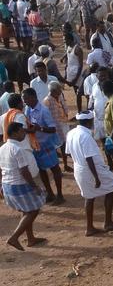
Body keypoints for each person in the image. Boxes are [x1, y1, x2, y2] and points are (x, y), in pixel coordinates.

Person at [66, 111, 113, 235]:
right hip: (91, 170)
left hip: (79, 168)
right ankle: (108, 223)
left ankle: (90, 227)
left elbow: (68, 152)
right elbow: (89, 158)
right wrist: (96, 177)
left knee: (89, 197)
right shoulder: (85, 136)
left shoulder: (71, 133)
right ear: (90, 121)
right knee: (112, 187)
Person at [1, 120, 45, 250]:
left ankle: (31, 238)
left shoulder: (2, 148)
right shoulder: (17, 150)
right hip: (19, 184)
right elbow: (24, 171)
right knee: (34, 209)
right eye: (21, 131)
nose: (24, 134)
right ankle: (14, 237)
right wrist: (34, 186)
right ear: (14, 133)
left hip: (7, 184)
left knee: (26, 210)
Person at [22, 88, 64, 204]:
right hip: (36, 145)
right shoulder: (28, 109)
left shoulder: (44, 111)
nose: (24, 101)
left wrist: (39, 128)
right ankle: (50, 194)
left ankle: (60, 195)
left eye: (26, 98)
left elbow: (53, 128)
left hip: (46, 144)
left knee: (55, 168)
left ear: (33, 97)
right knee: (41, 170)